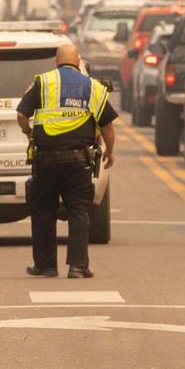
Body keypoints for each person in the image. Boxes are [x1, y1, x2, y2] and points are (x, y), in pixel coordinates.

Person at [16, 43, 116, 278]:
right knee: (79, 211)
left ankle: (46, 266)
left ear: (56, 61)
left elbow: (22, 115)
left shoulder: (42, 82)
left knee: (43, 211)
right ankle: (78, 267)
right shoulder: (93, 87)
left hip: (46, 161)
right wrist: (110, 152)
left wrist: (29, 133)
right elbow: (108, 126)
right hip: (78, 161)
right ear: (78, 60)